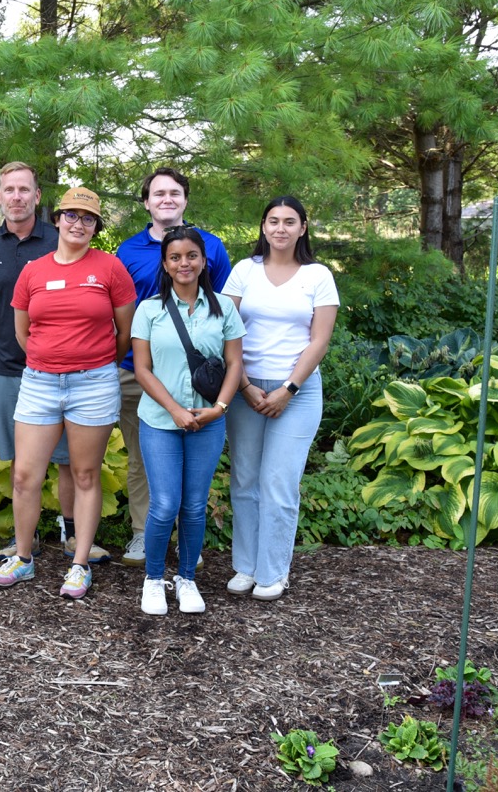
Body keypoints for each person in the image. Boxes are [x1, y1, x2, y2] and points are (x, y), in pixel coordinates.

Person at [0, 187, 135, 599]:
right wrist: (48, 360)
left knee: (85, 474)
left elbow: (124, 332)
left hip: (93, 383)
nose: (78, 224)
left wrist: (94, 361)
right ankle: (23, 558)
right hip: (39, 382)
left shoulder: (110, 268)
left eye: (87, 218)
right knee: (24, 475)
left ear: (96, 226)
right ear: (57, 219)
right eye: (71, 215)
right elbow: (22, 331)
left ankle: (79, 563)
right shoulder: (33, 271)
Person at [0, 162, 108, 566]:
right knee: (21, 462)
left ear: (37, 197)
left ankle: (70, 534)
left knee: (69, 460)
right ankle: (22, 542)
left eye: (24, 190)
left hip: (63, 371)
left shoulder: (60, 236)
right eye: (8, 190)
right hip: (8, 367)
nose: (16, 197)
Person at [115, 168, 232, 567]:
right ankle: (142, 534)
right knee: (142, 458)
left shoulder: (211, 247)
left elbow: (225, 307)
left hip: (200, 377)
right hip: (139, 370)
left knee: (193, 460)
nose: (167, 199)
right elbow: (119, 311)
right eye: (158, 193)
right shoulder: (127, 252)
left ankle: (187, 540)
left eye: (175, 192)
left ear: (185, 199)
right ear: (146, 202)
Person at [224, 196, 339, 601]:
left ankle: (273, 573)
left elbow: (319, 340)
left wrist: (288, 389)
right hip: (247, 389)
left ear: (303, 228)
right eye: (273, 221)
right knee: (245, 480)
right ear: (263, 226)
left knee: (279, 482)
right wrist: (244, 386)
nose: (280, 228)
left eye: (290, 222)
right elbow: (227, 331)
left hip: (298, 392)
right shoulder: (244, 271)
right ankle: (246, 567)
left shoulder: (318, 275)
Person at [132, 227, 244, 616]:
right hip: (161, 420)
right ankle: (152, 579)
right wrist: (175, 410)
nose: (184, 263)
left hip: (209, 420)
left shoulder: (224, 308)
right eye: (176, 257)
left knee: (195, 506)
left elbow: (234, 364)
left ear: (204, 260)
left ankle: (187, 579)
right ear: (165, 263)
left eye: (192, 255)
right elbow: (143, 370)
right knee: (164, 504)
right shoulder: (148, 310)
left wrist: (221, 408)